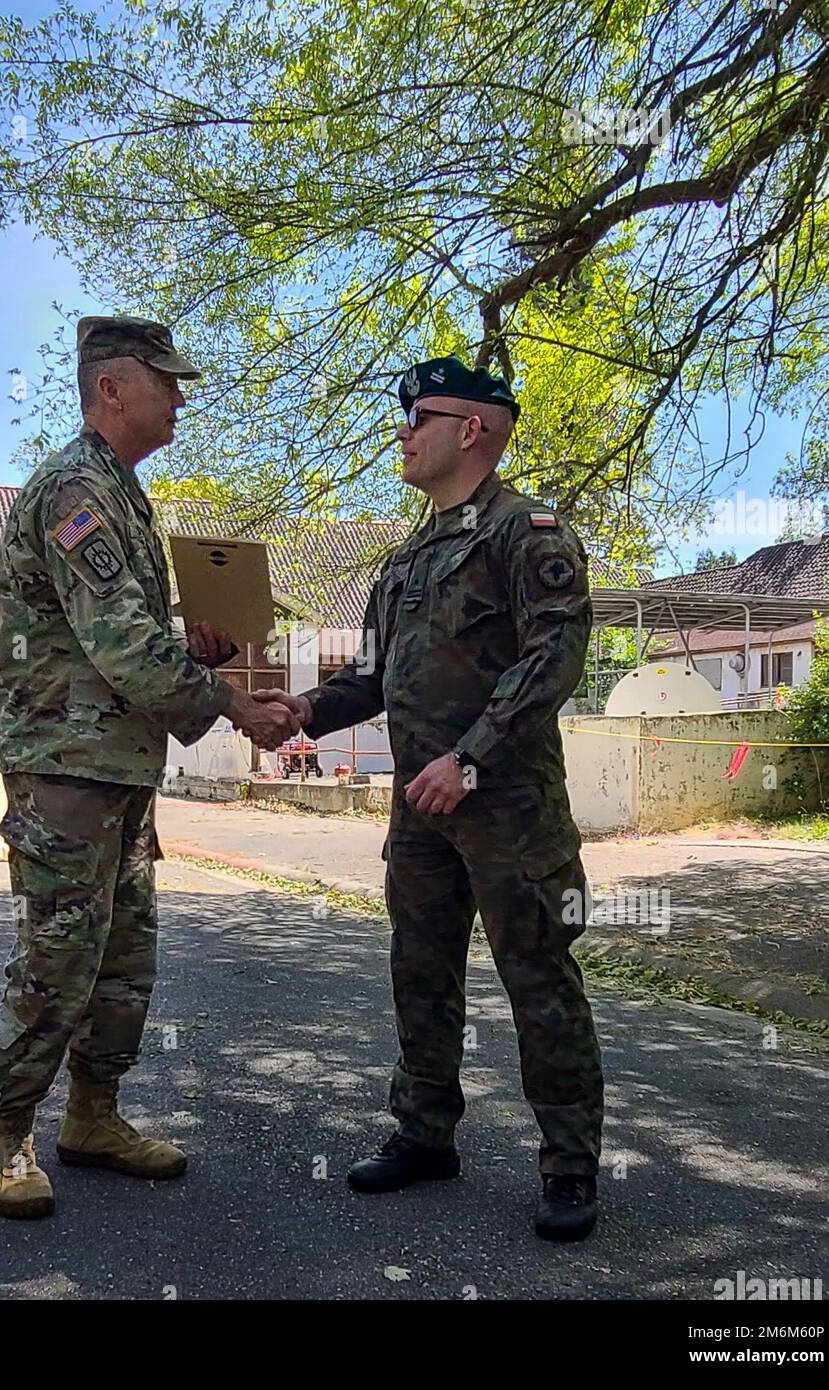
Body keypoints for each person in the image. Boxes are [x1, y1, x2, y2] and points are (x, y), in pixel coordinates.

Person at [255, 356, 604, 1241]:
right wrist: (304, 711)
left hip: (508, 810)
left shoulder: (530, 533)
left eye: (420, 418)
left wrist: (470, 757)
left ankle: (568, 1167)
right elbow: (373, 676)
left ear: (473, 429)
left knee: (540, 983)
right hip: (420, 811)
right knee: (420, 975)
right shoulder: (406, 557)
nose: (403, 433)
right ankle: (424, 1136)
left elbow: (554, 658)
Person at [0, 315, 299, 1218]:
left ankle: (94, 1117)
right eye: (167, 380)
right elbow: (119, 644)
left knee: (124, 959)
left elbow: (133, 638)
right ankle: (5, 1131)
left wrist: (194, 644)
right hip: (65, 767)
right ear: (112, 387)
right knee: (59, 958)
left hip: (114, 767)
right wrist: (233, 702)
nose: (182, 397)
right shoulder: (77, 489)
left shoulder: (121, 494)